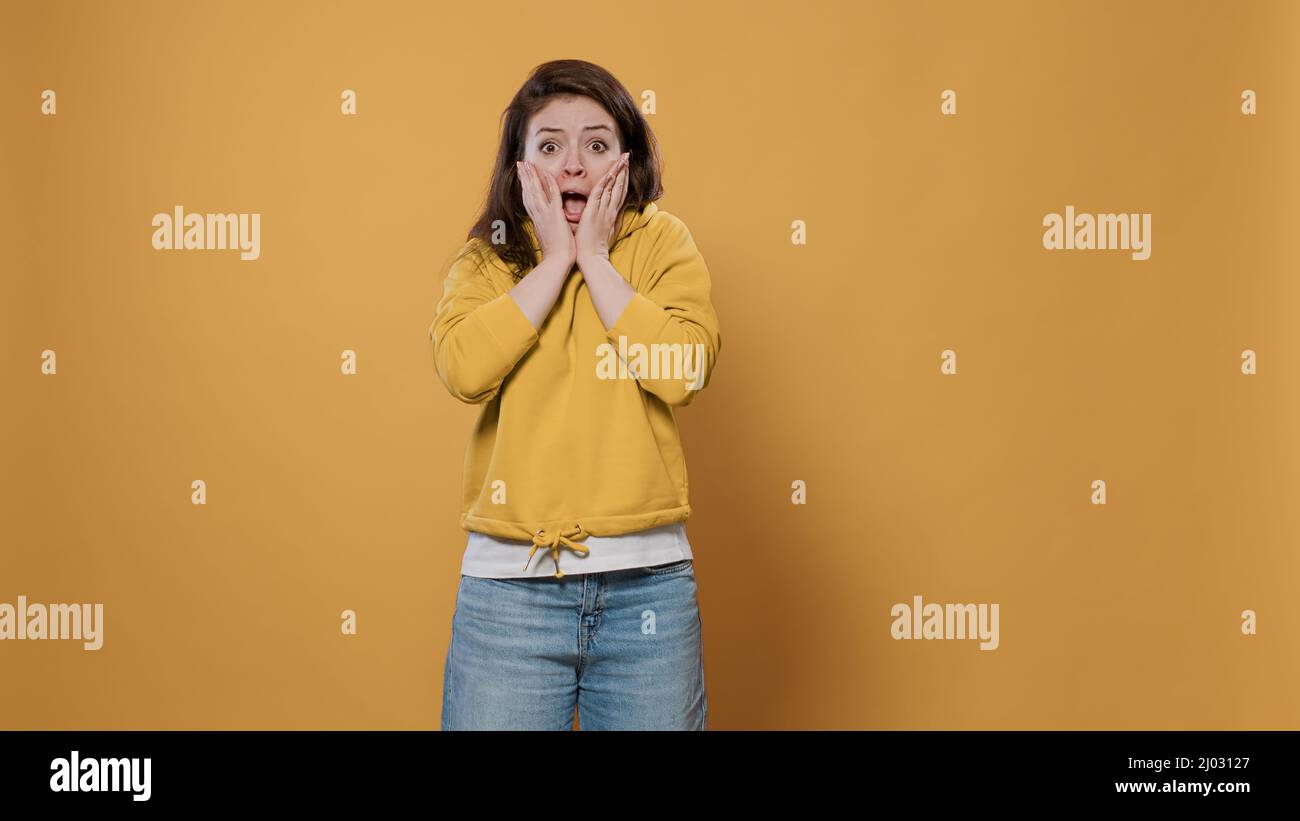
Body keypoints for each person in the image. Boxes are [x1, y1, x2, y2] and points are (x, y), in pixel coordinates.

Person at [429, 59, 721, 730]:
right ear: (520, 167)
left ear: (627, 161)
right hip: (509, 593)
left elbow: (684, 368)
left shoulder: (661, 245)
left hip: (648, 590)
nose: (574, 165)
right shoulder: (490, 260)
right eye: (550, 146)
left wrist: (595, 260)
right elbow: (463, 368)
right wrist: (556, 260)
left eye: (597, 144)